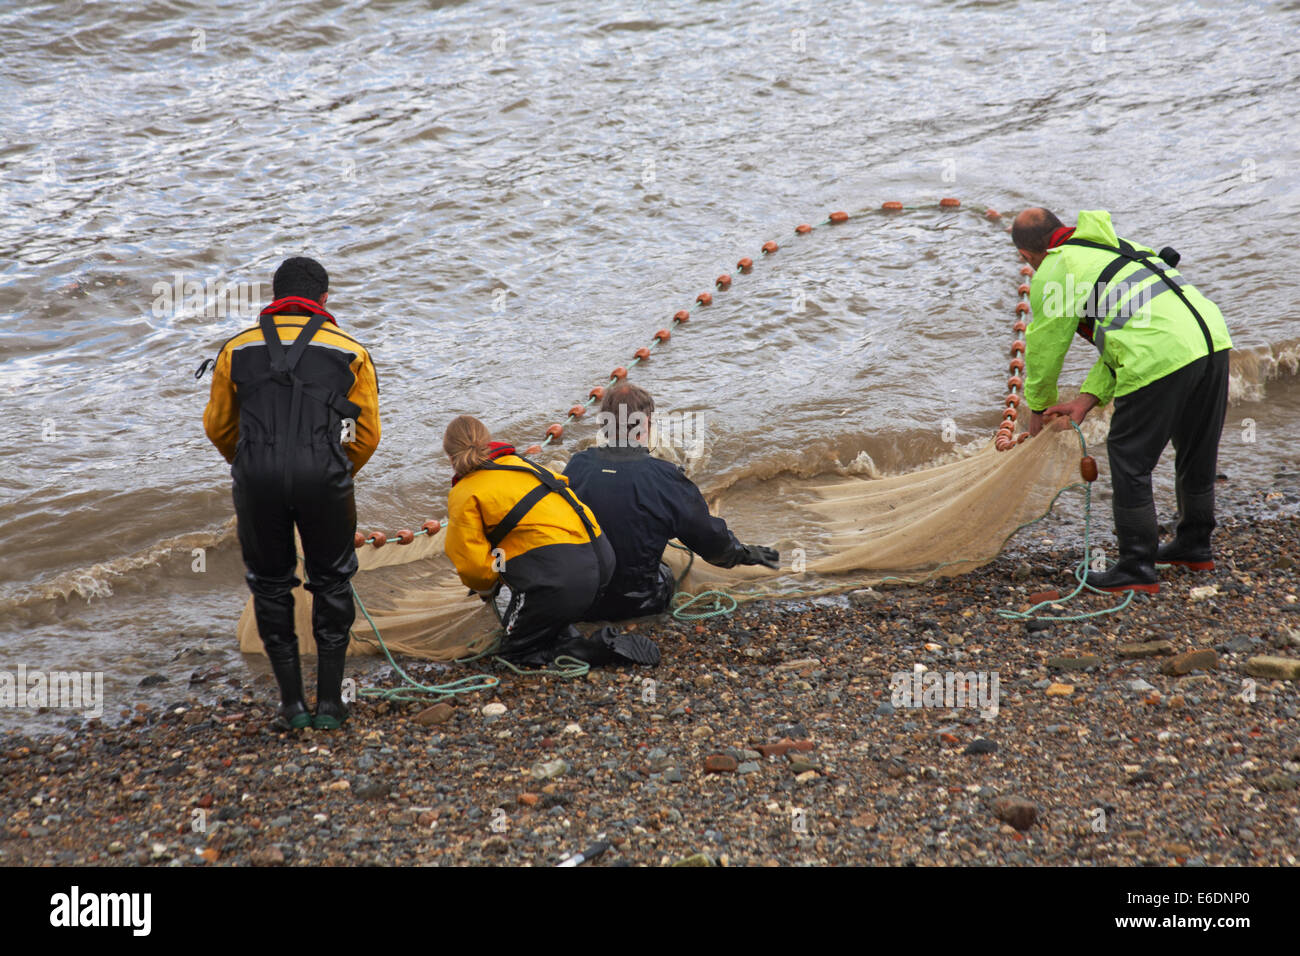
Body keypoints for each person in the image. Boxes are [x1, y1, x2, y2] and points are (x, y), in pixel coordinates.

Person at [1012, 208, 1232, 592]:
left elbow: (1045, 347)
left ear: (1026, 257)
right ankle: (1194, 545)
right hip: (1213, 340)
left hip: (1161, 354)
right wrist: (1087, 399)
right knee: (1196, 448)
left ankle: (1135, 567)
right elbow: (1124, 334)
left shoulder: (1055, 269)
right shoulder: (1115, 246)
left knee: (1129, 456)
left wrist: (1038, 407)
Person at [203, 257, 380, 730]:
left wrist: (250, 466)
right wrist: (336, 473)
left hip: (257, 477)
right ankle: (330, 705)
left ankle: (291, 706)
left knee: (270, 583)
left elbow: (219, 425)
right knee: (332, 581)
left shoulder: (236, 348)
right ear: (324, 299)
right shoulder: (351, 350)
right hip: (325, 476)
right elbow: (367, 434)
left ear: (274, 296)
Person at [442, 415, 659, 667]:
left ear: (449, 456)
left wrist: (490, 585)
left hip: (563, 579)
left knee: (516, 653)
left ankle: (595, 648)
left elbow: (474, 569)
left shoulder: (464, 492)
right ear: (488, 442)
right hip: (602, 563)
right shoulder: (522, 464)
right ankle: (561, 627)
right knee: (545, 598)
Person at [563, 383, 779, 620]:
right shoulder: (665, 476)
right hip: (639, 602)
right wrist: (751, 554)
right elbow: (712, 545)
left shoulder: (576, 466)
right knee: (666, 567)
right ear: (646, 424)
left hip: (579, 600)